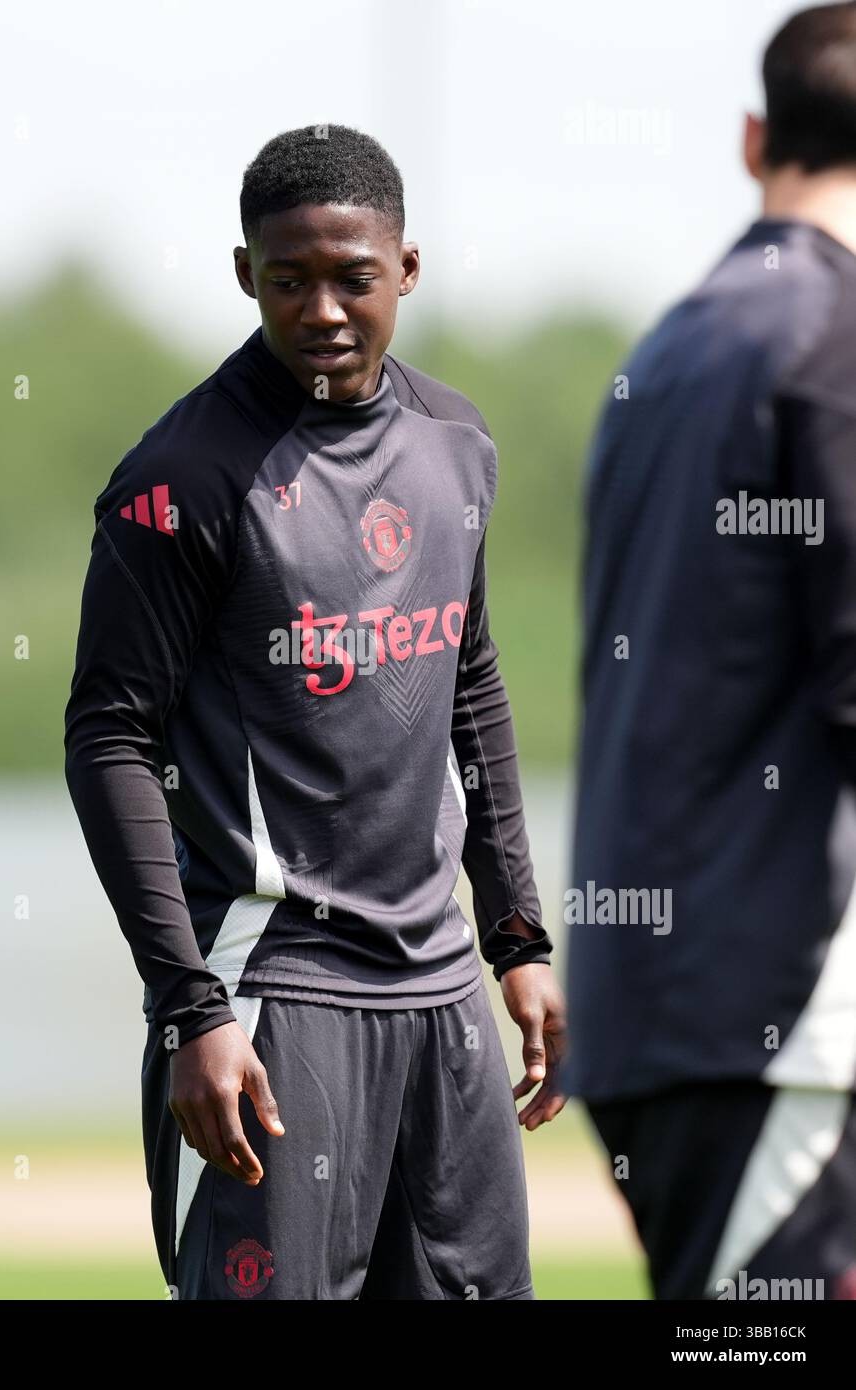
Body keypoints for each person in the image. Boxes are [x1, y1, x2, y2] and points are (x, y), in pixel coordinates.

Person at [63, 123, 566, 1301]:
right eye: (289, 280)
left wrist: (517, 937)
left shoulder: (457, 443)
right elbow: (109, 740)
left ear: (407, 270)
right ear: (246, 275)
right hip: (274, 998)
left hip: (443, 989)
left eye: (354, 277)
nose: (324, 309)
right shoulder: (176, 480)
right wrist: (192, 1008)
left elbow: (469, 682)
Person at [565, 2, 856, 1301]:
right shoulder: (836, 340)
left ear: (754, 138)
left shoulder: (669, 344)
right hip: (783, 1021)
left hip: (666, 1008)